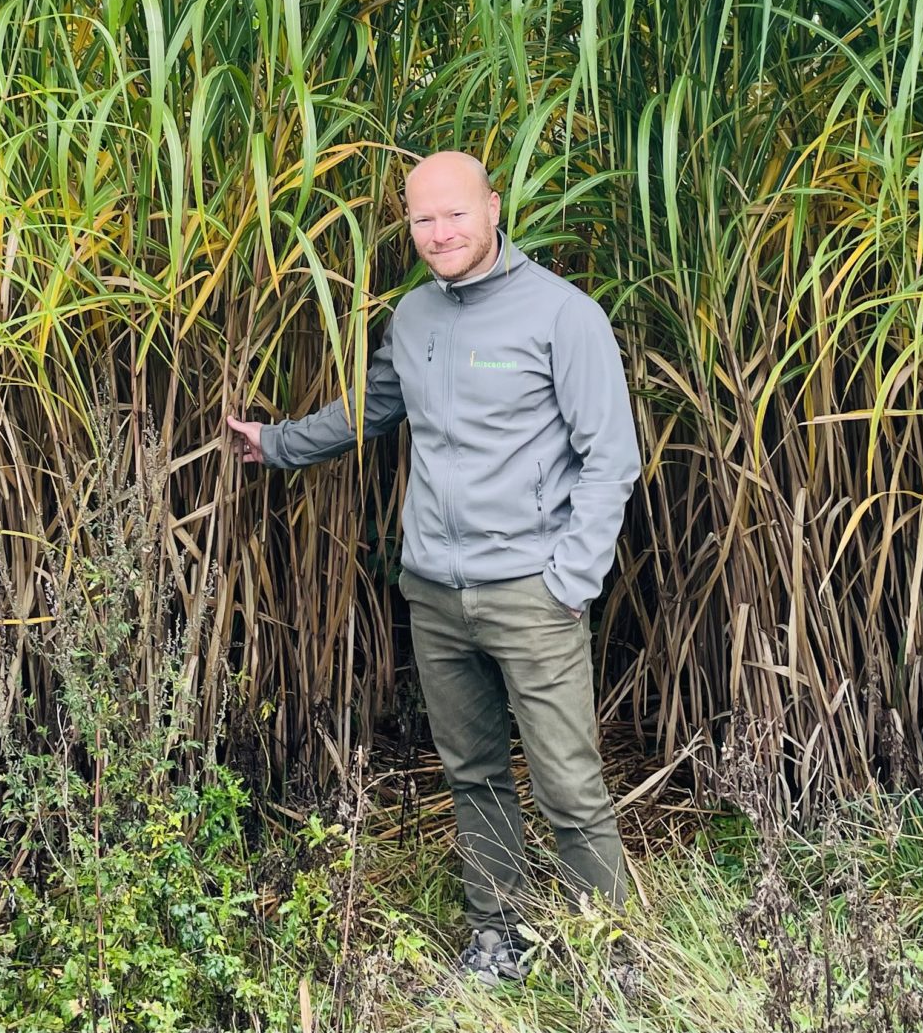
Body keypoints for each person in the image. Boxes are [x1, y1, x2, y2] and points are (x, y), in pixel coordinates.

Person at [227, 150, 641, 987]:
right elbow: (372, 409)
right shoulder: (413, 318)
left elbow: (613, 459)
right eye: (422, 219)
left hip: (533, 592)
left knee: (568, 783)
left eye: (455, 213)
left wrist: (571, 580)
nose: (439, 232)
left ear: (494, 208)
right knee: (474, 775)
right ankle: (501, 939)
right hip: (435, 593)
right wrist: (278, 444)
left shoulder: (563, 317)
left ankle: (614, 955)